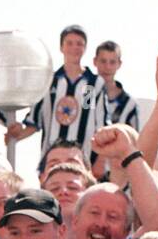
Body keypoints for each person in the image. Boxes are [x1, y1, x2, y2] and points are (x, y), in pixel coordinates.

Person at [9, 25, 102, 174]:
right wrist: (15, 136)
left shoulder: (92, 83)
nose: (74, 48)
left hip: (82, 162)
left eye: (79, 44)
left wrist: (101, 161)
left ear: (85, 48)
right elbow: (34, 123)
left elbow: (93, 121)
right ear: (61, 47)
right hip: (51, 161)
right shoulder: (48, 81)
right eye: (69, 43)